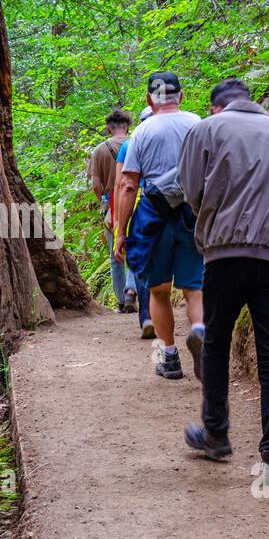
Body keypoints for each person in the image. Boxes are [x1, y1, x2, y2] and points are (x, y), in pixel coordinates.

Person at [177, 79, 269, 484]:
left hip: (225, 251)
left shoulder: (206, 129)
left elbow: (190, 189)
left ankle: (216, 434)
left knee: (217, 343)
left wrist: (215, 215)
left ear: (217, 106)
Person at [113, 72, 206, 380]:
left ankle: (169, 356)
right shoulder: (198, 125)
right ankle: (200, 331)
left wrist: (121, 231)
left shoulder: (141, 132)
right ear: (181, 96)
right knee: (195, 288)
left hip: (154, 220)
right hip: (193, 216)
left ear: (149, 99)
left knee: (159, 289)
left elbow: (127, 186)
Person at [88, 109, 137, 313]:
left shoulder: (99, 150)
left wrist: (104, 203)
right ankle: (132, 290)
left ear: (109, 128)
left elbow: (96, 184)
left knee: (115, 253)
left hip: (111, 204)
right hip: (136, 199)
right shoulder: (137, 144)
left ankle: (120, 301)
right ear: (128, 126)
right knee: (137, 247)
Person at [114, 108, 155, 337]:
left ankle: (146, 313)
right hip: (175, 209)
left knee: (139, 258)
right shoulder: (181, 134)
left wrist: (120, 223)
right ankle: (197, 321)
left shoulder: (131, 145)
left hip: (139, 208)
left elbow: (123, 184)